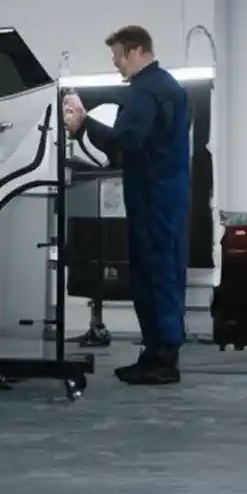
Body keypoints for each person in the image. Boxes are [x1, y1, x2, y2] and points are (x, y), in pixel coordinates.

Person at [62, 26, 190, 385]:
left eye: (117, 56)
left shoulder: (146, 91)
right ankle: (157, 355)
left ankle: (161, 361)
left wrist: (84, 124)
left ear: (135, 51)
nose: (116, 64)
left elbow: (125, 144)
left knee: (154, 277)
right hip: (167, 197)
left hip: (152, 199)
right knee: (165, 275)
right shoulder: (166, 86)